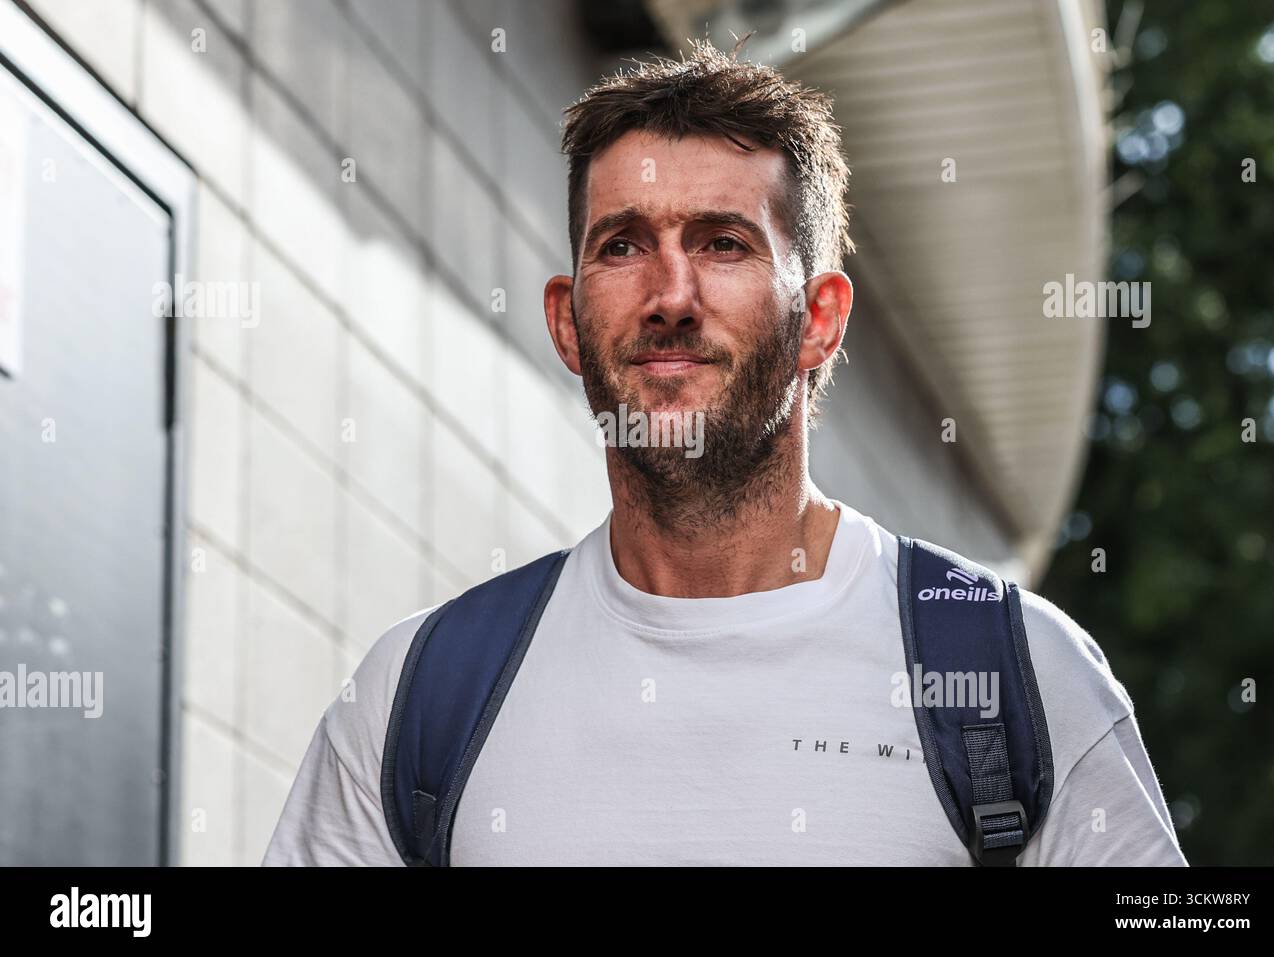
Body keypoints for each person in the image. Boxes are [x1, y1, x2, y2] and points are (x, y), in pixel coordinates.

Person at [262, 38, 1187, 867]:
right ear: (567, 323)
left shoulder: (1011, 671)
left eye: (724, 243)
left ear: (819, 319)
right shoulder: (422, 693)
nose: (671, 295)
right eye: (623, 245)